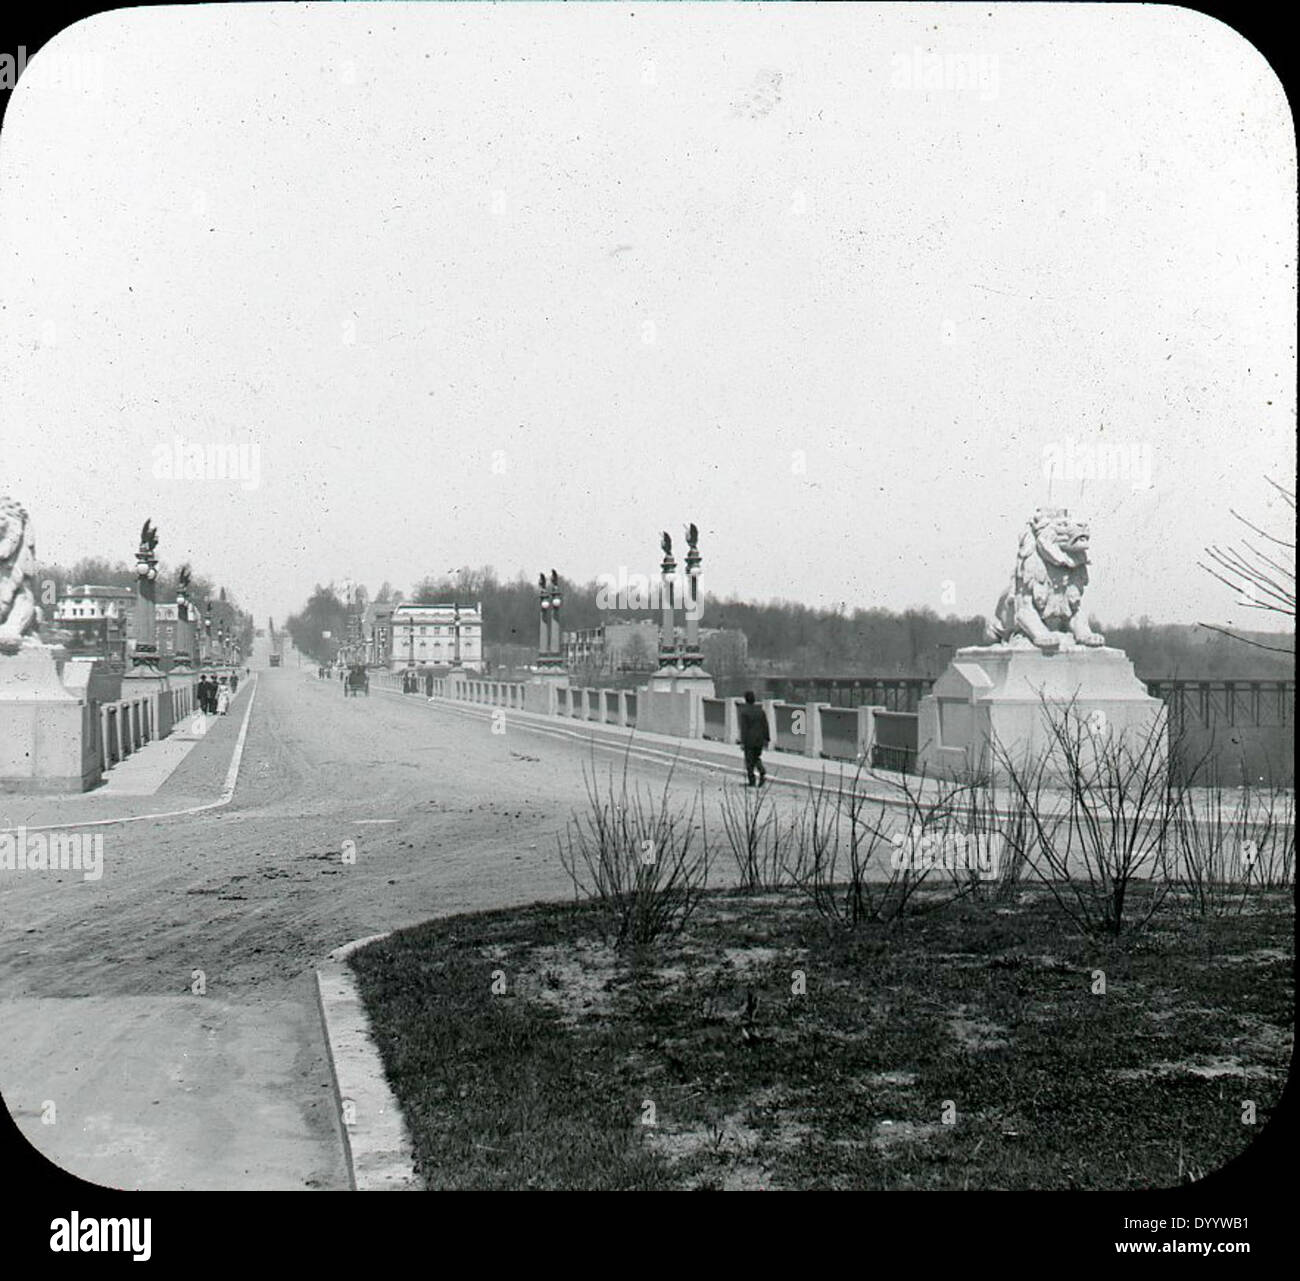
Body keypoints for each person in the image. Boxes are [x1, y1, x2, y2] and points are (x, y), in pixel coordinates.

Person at [737, 690, 769, 787]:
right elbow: (765, 725)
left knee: (749, 761)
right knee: (756, 758)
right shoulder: (761, 711)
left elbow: (744, 728)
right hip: (759, 740)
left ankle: (752, 781)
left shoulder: (745, 712)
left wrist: (742, 742)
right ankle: (762, 771)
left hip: (749, 740)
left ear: (746, 699)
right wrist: (767, 738)